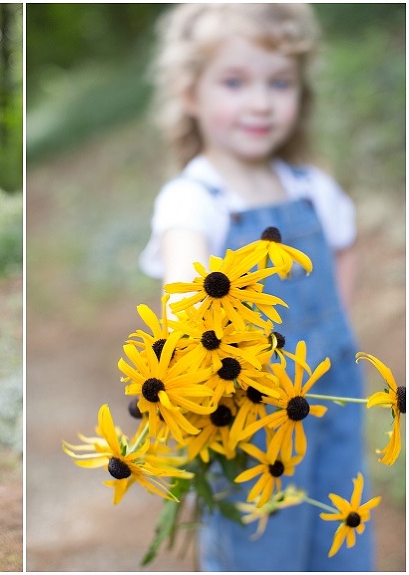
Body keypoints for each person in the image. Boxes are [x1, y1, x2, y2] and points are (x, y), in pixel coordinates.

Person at [139, 4, 373, 571]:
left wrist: (332, 332)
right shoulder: (194, 198)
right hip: (250, 413)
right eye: (235, 81)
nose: (262, 102)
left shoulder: (311, 186)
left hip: (333, 393)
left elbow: (345, 244)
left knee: (339, 528)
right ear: (190, 93)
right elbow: (184, 285)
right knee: (260, 543)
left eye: (280, 82)